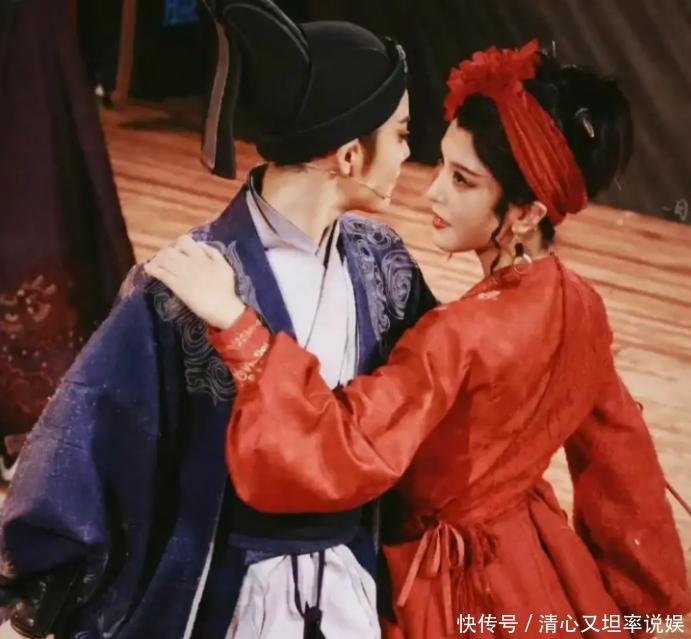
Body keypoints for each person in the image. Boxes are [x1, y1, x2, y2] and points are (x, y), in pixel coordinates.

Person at [146, 40, 691, 637]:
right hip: (531, 562)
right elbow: (622, 468)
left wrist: (238, 326)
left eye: (463, 180)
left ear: (528, 214)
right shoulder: (581, 305)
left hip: (450, 590)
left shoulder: (458, 335)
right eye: (441, 165)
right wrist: (654, 611)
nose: (432, 192)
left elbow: (341, 451)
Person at [0, 1, 435, 638]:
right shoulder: (181, 283)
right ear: (348, 156)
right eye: (400, 134)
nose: (408, 153)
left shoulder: (383, 264)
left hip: (351, 580)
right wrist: (35, 603)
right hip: (223, 593)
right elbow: (90, 441)